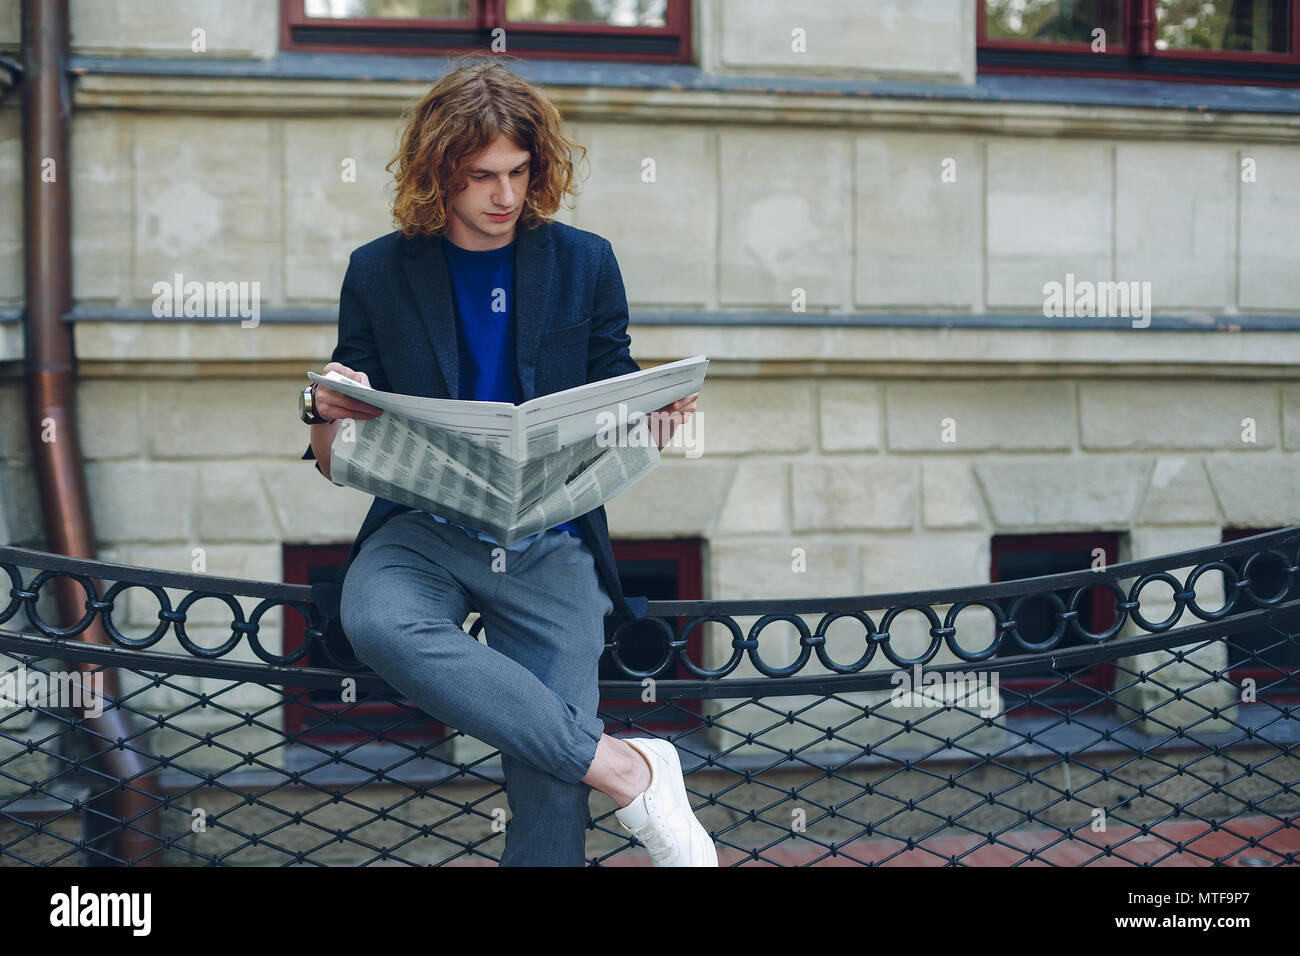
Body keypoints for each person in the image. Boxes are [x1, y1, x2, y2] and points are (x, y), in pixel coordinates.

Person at [298, 58, 713, 867]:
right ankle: (628, 767)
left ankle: (594, 764)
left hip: (553, 533)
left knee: (549, 782)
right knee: (377, 617)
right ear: (437, 174)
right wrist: (325, 410)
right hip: (423, 526)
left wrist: (655, 421)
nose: (505, 195)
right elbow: (332, 459)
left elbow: (612, 406)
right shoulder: (378, 272)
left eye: (519, 171)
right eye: (482, 175)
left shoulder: (585, 263)